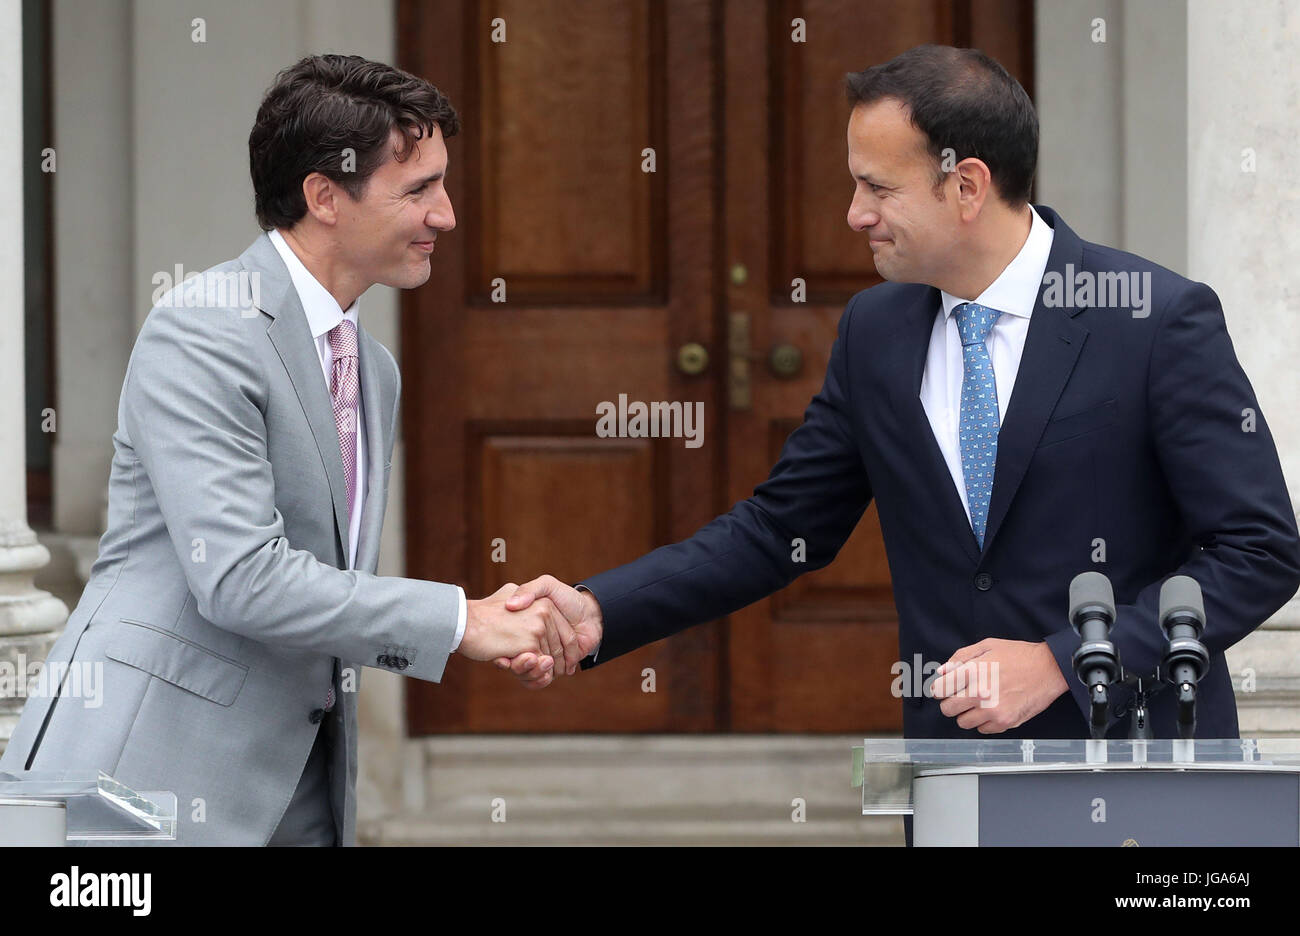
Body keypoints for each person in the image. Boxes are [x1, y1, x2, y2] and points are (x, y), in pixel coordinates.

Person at [502, 44, 1300, 745]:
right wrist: (600, 610)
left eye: (877, 189)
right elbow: (781, 530)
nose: (855, 215)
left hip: (1135, 769)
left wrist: (1066, 662)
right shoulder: (876, 331)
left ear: (967, 185)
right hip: (951, 775)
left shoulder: (1154, 318)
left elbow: (1259, 551)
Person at [0, 54, 567, 846]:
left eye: (442, 184)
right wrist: (459, 621)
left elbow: (326, 587)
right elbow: (241, 578)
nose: (446, 215)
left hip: (298, 790)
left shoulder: (373, 369)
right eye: (419, 189)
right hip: (147, 783)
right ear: (324, 196)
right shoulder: (202, 329)